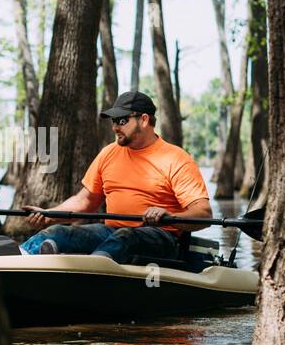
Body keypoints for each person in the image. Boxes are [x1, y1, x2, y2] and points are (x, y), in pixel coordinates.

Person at [20, 91, 213, 264]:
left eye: (121, 120)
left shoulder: (176, 159)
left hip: (163, 238)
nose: (114, 127)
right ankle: (16, 261)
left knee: (124, 237)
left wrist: (169, 217)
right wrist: (48, 215)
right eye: (113, 121)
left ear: (144, 120)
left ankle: (92, 273)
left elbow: (203, 214)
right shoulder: (108, 153)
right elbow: (85, 200)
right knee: (58, 233)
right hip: (110, 232)